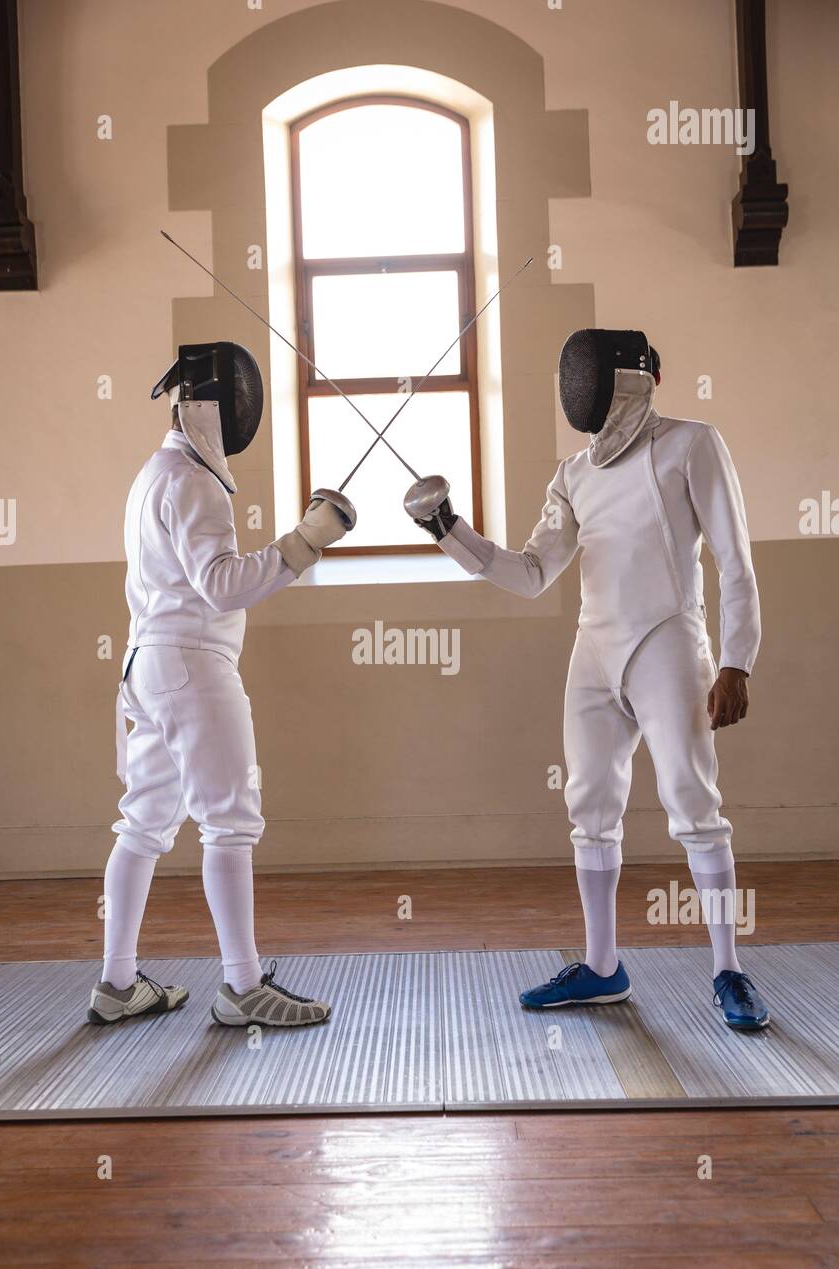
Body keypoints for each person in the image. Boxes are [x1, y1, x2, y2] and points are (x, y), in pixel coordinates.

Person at [409, 329, 769, 1031]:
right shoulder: (573, 473)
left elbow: (736, 560)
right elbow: (531, 573)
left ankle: (729, 968)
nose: (579, 391)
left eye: (588, 376)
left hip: (669, 641)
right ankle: (603, 967)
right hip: (594, 652)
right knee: (590, 808)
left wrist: (736, 660)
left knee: (693, 801)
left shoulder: (692, 443)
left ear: (630, 377)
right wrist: (448, 528)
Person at [90, 341, 351, 1028]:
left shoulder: (155, 472)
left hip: (147, 666)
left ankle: (117, 983)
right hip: (192, 668)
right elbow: (222, 585)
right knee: (230, 821)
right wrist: (305, 541)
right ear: (215, 407)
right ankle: (242, 987)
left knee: (144, 823)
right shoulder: (195, 481)